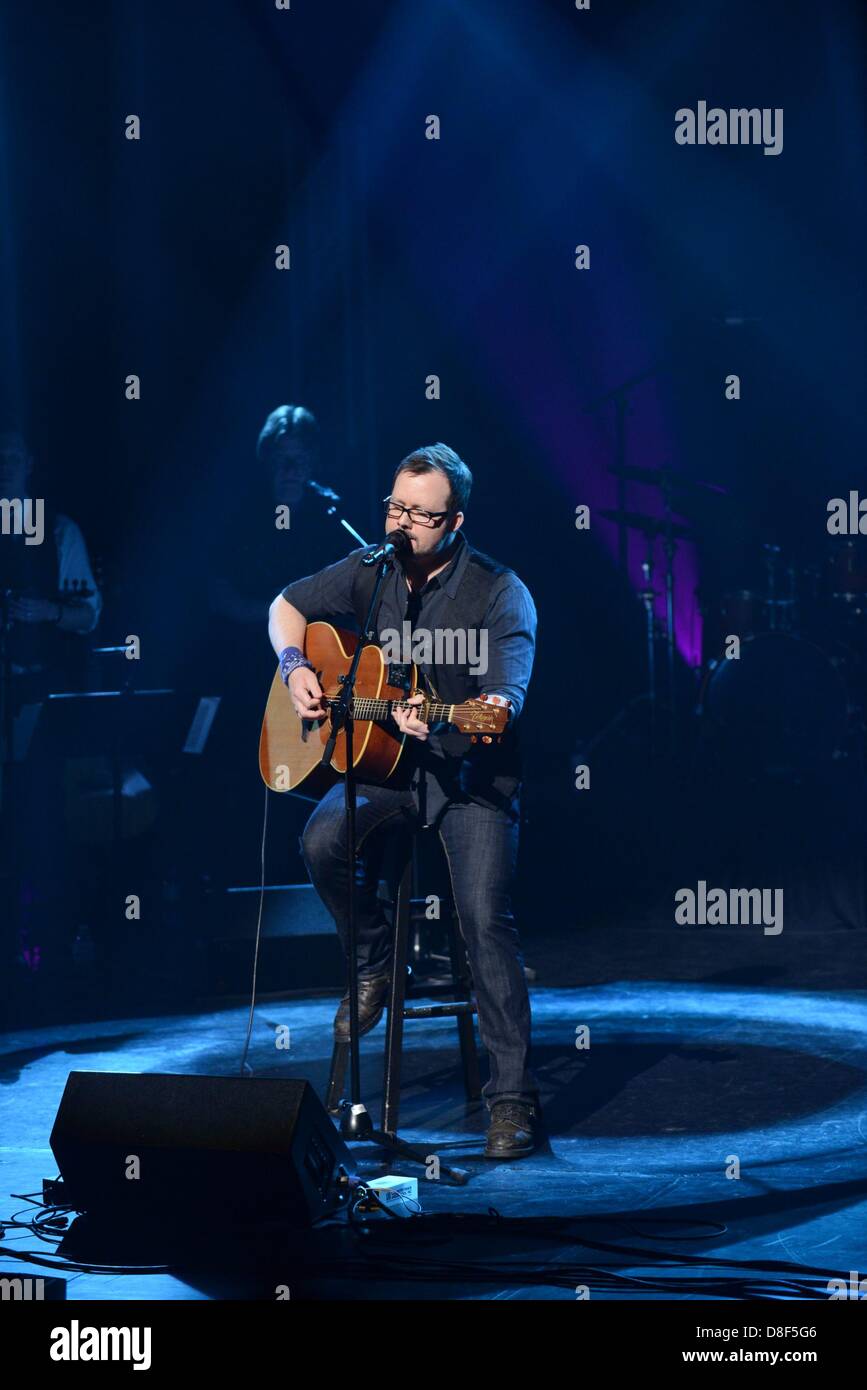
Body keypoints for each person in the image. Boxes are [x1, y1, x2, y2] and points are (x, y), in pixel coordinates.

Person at [268, 443, 541, 1159]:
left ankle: (510, 1102)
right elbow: (286, 606)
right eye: (394, 507)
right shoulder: (372, 571)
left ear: (454, 521)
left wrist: (449, 715)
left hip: (468, 780)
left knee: (483, 921)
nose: (402, 524)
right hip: (386, 771)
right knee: (321, 841)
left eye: (420, 515)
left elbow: (501, 707)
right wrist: (295, 665)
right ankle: (371, 963)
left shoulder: (499, 592)